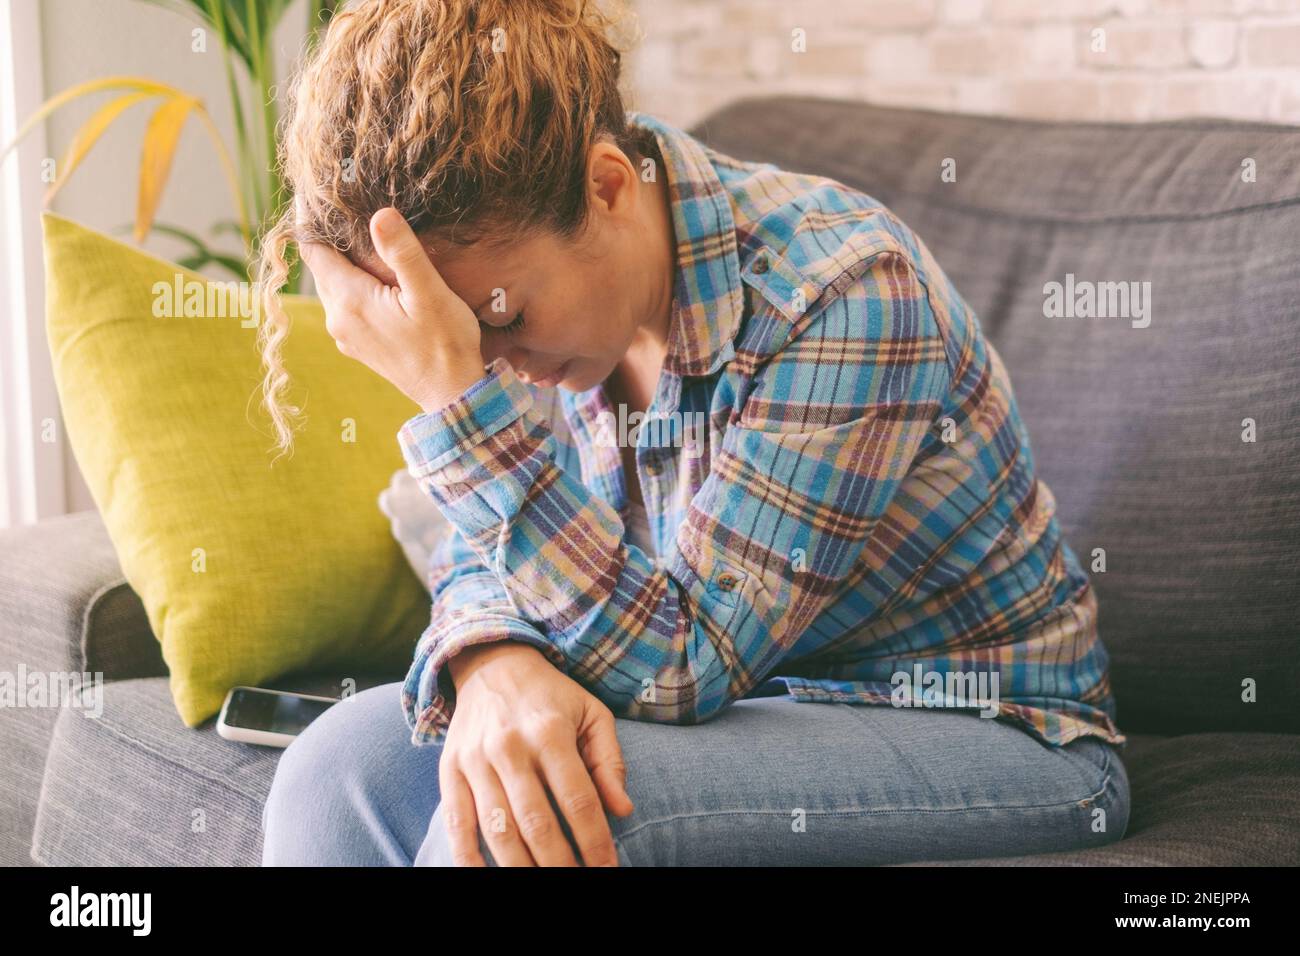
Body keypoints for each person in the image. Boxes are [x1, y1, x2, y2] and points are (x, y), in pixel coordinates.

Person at [257, 0, 1128, 866]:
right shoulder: (533, 287)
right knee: (331, 774)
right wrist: (493, 660)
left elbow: (685, 663)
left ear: (607, 187)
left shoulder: (847, 294)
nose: (496, 365)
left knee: (533, 823)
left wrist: (456, 404)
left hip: (992, 732)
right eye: (461, 346)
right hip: (746, 708)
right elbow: (476, 539)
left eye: (502, 320)